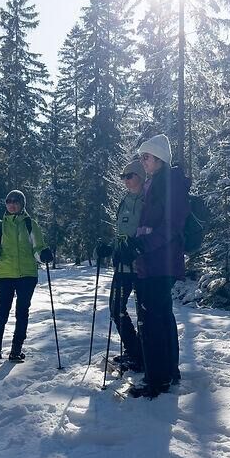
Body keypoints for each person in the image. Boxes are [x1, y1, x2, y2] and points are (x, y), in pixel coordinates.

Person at [116, 134, 190, 399]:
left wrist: (142, 245)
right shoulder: (158, 183)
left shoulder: (169, 184)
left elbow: (171, 226)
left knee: (152, 320)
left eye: (146, 157)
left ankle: (156, 380)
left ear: (159, 158)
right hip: (154, 262)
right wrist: (133, 245)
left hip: (160, 262)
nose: (143, 161)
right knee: (162, 317)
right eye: (142, 157)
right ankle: (168, 372)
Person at [0, 190, 53, 363]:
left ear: (22, 204)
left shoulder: (30, 224)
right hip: (5, 274)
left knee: (22, 313)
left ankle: (16, 350)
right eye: (8, 201)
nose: (12, 204)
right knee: (1, 312)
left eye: (16, 201)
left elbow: (37, 248)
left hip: (27, 275)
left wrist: (43, 256)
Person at [96, 159, 146, 372]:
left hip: (143, 268)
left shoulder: (149, 200)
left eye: (129, 176)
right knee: (116, 309)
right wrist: (110, 248)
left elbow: (151, 233)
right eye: (123, 177)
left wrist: (135, 248)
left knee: (145, 314)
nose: (125, 180)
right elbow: (120, 234)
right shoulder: (123, 201)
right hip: (122, 267)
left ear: (140, 176)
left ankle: (144, 354)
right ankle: (135, 351)